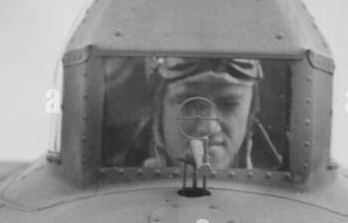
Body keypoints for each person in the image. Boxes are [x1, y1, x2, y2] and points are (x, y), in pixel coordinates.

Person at [104, 56, 282, 172]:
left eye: (229, 104)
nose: (207, 127)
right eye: (188, 103)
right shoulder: (109, 177)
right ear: (159, 110)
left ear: (251, 112)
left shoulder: (282, 182)